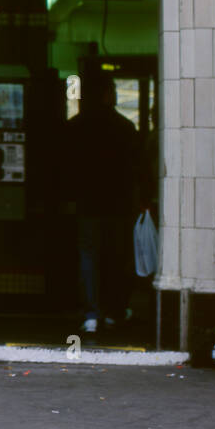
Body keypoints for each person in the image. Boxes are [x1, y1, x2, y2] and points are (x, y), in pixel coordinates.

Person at [65, 73, 145, 336]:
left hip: (87, 204)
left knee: (88, 257)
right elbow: (135, 169)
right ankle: (114, 310)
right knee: (115, 257)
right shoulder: (124, 127)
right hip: (118, 204)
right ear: (107, 94)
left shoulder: (75, 127)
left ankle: (91, 314)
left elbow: (65, 169)